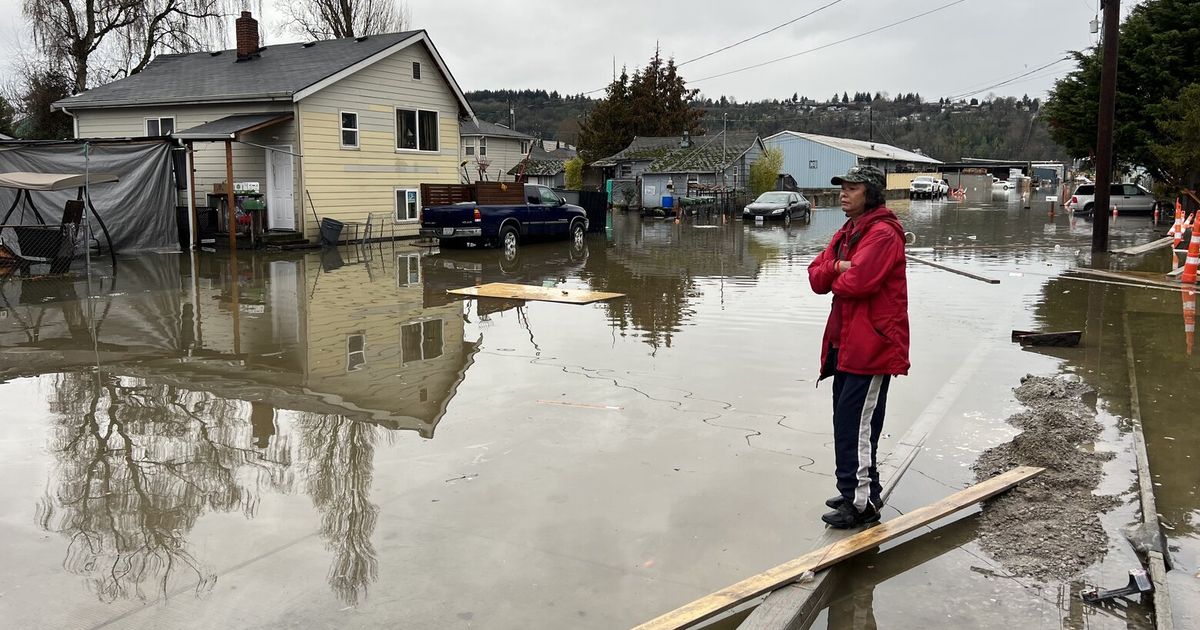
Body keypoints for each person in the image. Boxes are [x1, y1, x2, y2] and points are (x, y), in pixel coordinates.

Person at [807, 165, 910, 529]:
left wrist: (837, 273)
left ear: (871, 193)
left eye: (852, 188)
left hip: (872, 347)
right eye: (843, 187)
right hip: (846, 343)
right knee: (849, 423)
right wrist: (838, 265)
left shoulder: (882, 234)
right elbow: (816, 277)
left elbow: (856, 283)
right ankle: (857, 488)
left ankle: (861, 504)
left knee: (857, 425)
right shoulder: (849, 231)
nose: (843, 193)